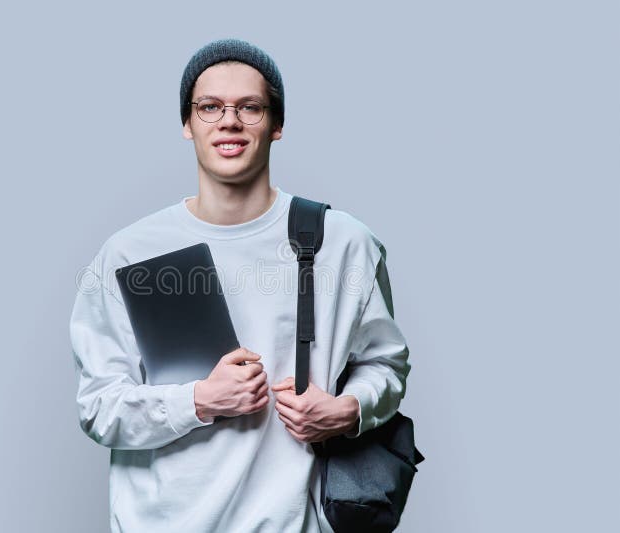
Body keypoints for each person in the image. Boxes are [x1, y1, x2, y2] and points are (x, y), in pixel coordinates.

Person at [69, 38, 411, 533]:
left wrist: (346, 409)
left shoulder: (344, 244)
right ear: (187, 124)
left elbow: (386, 364)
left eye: (250, 107)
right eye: (209, 107)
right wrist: (199, 401)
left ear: (277, 124)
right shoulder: (130, 253)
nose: (228, 121)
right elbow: (98, 407)